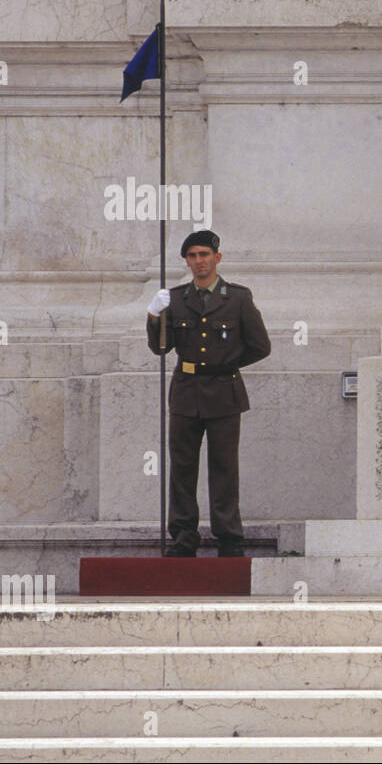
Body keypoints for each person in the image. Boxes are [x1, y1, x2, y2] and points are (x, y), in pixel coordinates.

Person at [146, 231, 271, 557]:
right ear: (186, 261)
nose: (198, 261)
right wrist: (153, 316)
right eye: (191, 256)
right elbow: (161, 348)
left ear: (217, 257)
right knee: (182, 470)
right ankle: (184, 537)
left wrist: (225, 363)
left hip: (224, 392)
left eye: (204, 254)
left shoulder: (238, 298)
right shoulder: (175, 298)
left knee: (224, 469)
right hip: (186, 393)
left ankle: (229, 538)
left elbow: (261, 346)